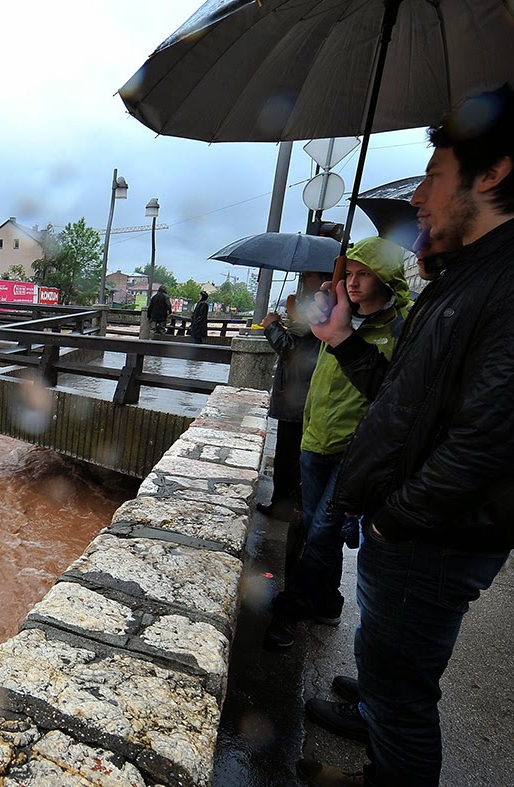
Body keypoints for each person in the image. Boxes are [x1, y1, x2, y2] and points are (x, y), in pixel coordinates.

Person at [297, 84, 514, 787]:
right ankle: (373, 713)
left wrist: (393, 519)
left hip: (431, 536)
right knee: (388, 663)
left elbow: (489, 441)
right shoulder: (467, 274)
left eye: (434, 176)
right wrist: (342, 340)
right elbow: (405, 397)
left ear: (493, 173)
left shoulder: (503, 283)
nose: (418, 197)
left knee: (403, 695)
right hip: (421, 532)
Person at [263, 238, 410, 651]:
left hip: (354, 449)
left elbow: (393, 394)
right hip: (315, 438)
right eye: (350, 274)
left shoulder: (400, 329)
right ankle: (328, 600)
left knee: (323, 531)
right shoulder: (333, 315)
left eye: (365, 274)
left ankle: (289, 612)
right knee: (315, 526)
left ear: (386, 279)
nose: (355, 282)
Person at [257, 270, 330, 527]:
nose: (302, 280)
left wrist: (272, 325)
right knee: (292, 456)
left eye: (307, 275)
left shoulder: (319, 309)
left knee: (289, 456)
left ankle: (285, 507)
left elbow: (291, 350)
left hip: (298, 396)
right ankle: (291, 505)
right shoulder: (322, 306)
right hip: (303, 395)